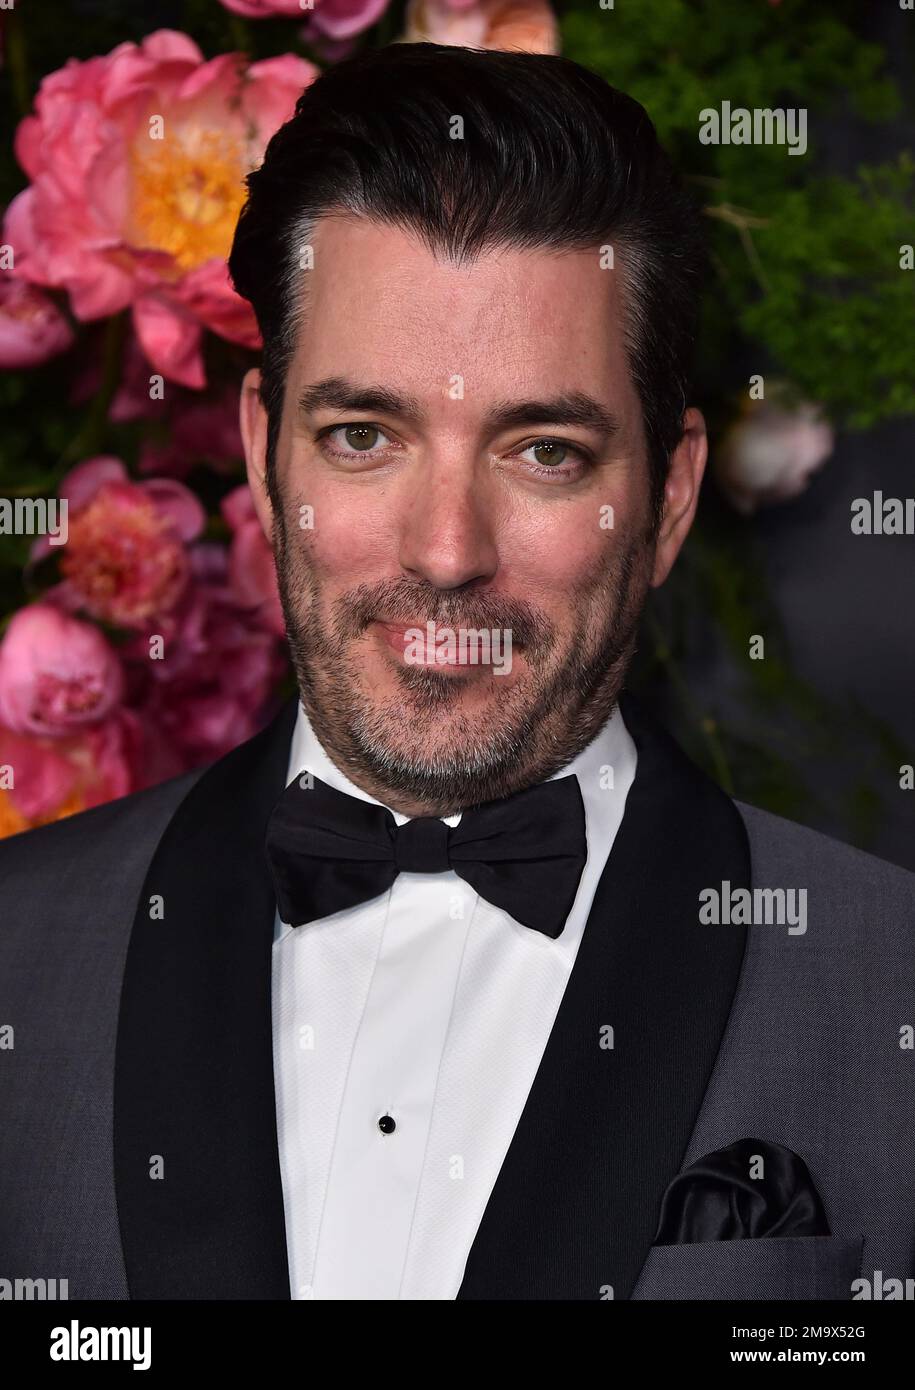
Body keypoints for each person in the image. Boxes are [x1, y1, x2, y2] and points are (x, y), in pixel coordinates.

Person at [1, 42, 912, 1303]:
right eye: (363, 437)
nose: (446, 552)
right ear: (266, 461)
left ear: (672, 493)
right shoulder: (13, 948)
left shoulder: (890, 982)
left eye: (544, 451)